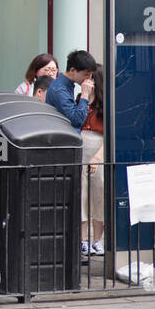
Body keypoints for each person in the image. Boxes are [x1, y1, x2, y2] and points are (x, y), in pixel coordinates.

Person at [81, 65, 106, 259]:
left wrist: (97, 157)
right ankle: (83, 240)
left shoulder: (105, 103)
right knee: (81, 194)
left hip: (98, 148)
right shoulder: (82, 99)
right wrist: (84, 95)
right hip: (81, 145)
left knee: (98, 193)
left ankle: (98, 239)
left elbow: (109, 134)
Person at [46, 50, 96, 130]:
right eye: (86, 74)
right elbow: (76, 121)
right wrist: (85, 94)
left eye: (91, 75)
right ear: (72, 70)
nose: (89, 78)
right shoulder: (59, 89)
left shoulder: (65, 85)